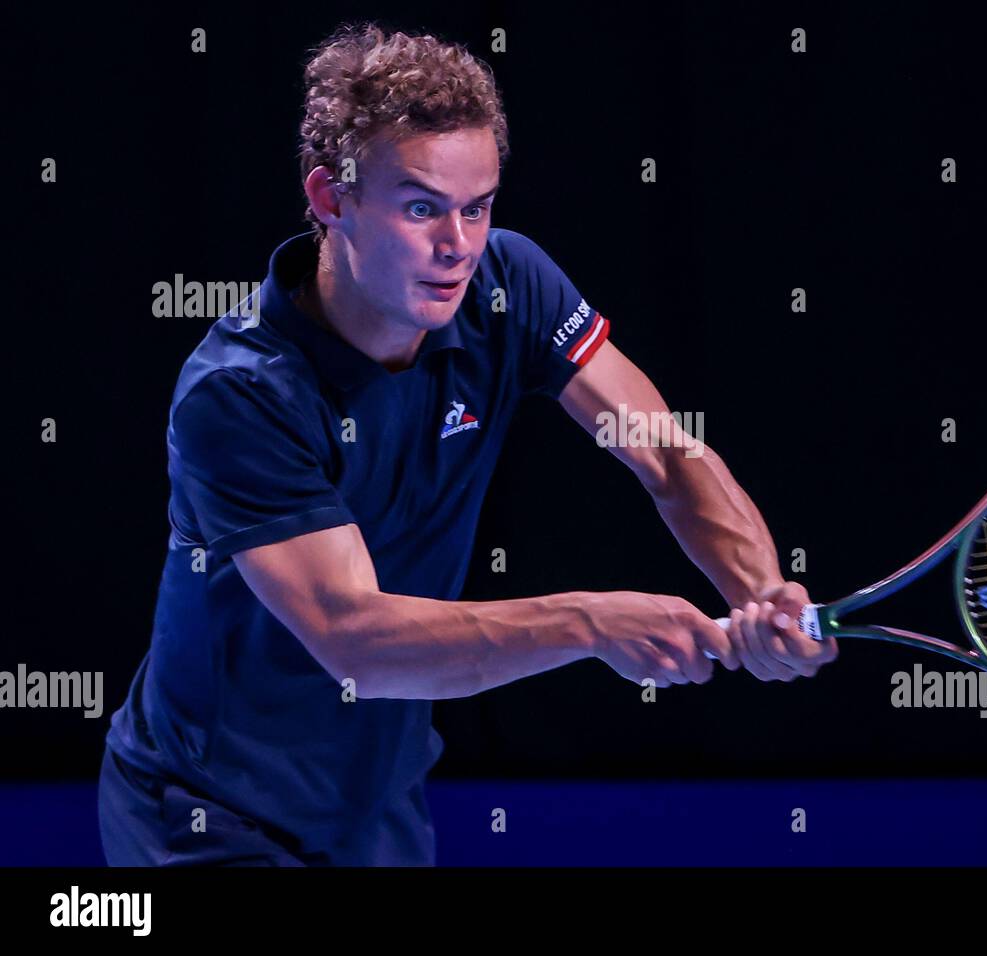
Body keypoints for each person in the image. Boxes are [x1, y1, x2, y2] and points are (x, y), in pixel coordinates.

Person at [99, 23, 837, 866]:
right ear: (331, 199)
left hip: (378, 806)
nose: (457, 246)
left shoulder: (508, 284)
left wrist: (764, 595)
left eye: (477, 206)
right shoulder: (240, 393)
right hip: (206, 817)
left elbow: (665, 452)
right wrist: (590, 622)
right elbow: (354, 640)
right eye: (420, 207)